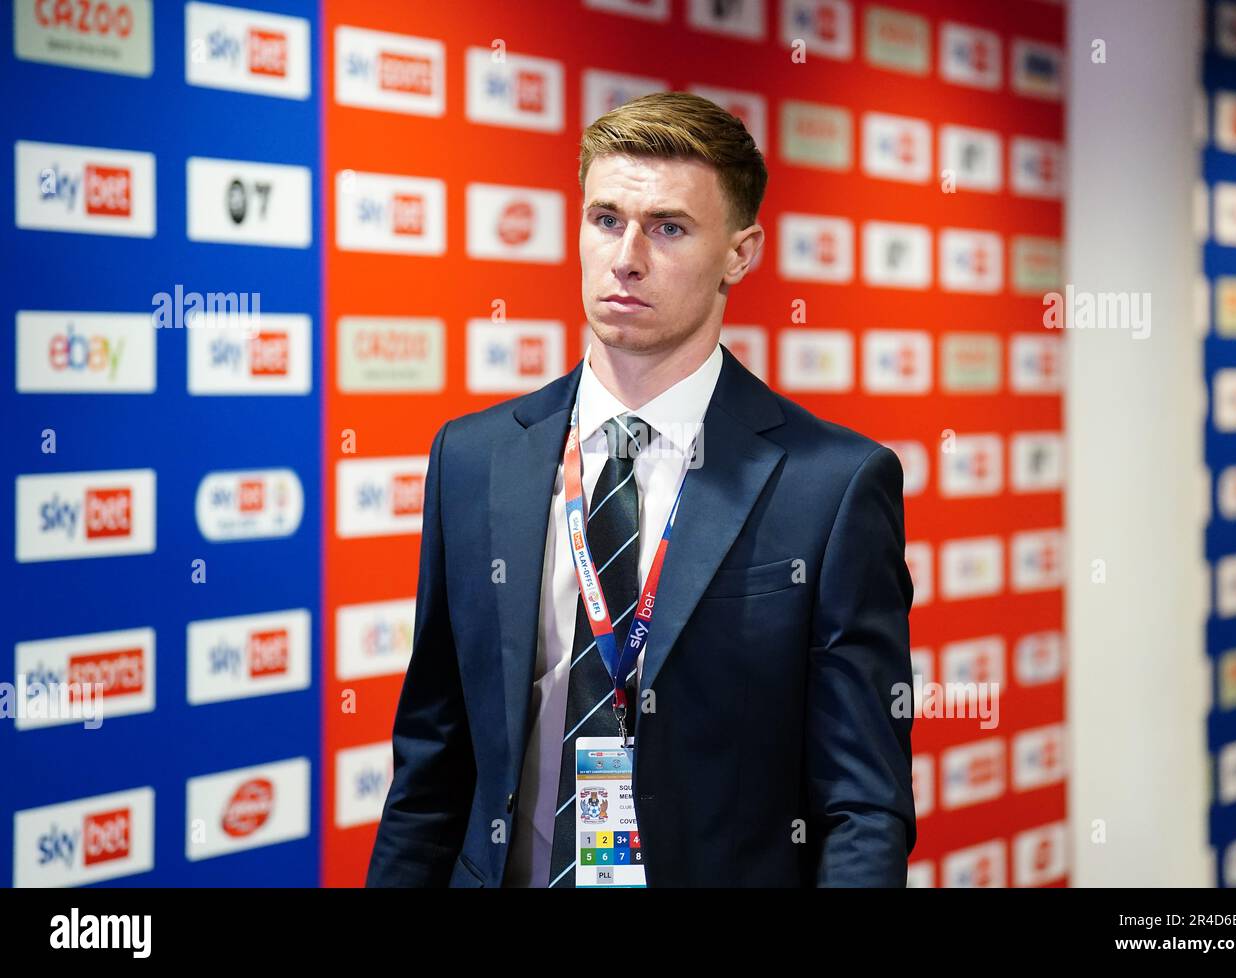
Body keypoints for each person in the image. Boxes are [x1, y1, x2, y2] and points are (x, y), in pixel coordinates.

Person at [365, 91, 915, 888]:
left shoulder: (831, 486)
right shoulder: (473, 457)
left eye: (668, 228)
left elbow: (861, 803)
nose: (627, 255)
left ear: (740, 252)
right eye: (606, 219)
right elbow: (432, 763)